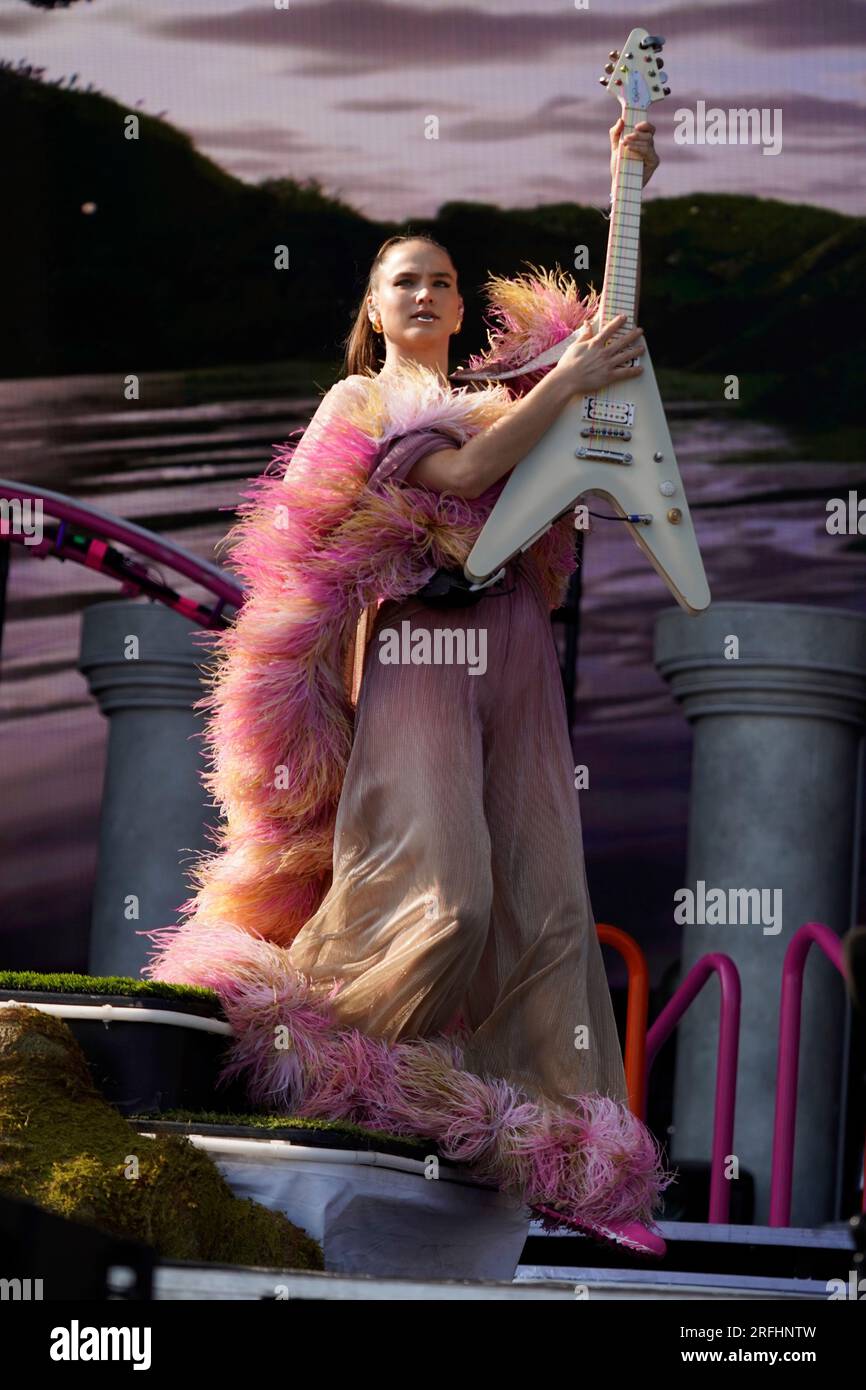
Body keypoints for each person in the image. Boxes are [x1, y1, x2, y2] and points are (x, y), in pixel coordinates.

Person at [144, 118, 675, 1258]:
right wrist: (568, 381)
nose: (426, 292)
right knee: (446, 903)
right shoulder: (359, 405)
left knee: (546, 898)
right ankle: (298, 1059)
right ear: (375, 310)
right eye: (403, 281)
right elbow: (467, 472)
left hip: (514, 647)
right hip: (418, 651)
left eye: (440, 278)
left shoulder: (504, 393)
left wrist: (627, 177)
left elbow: (586, 424)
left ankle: (568, 1152)